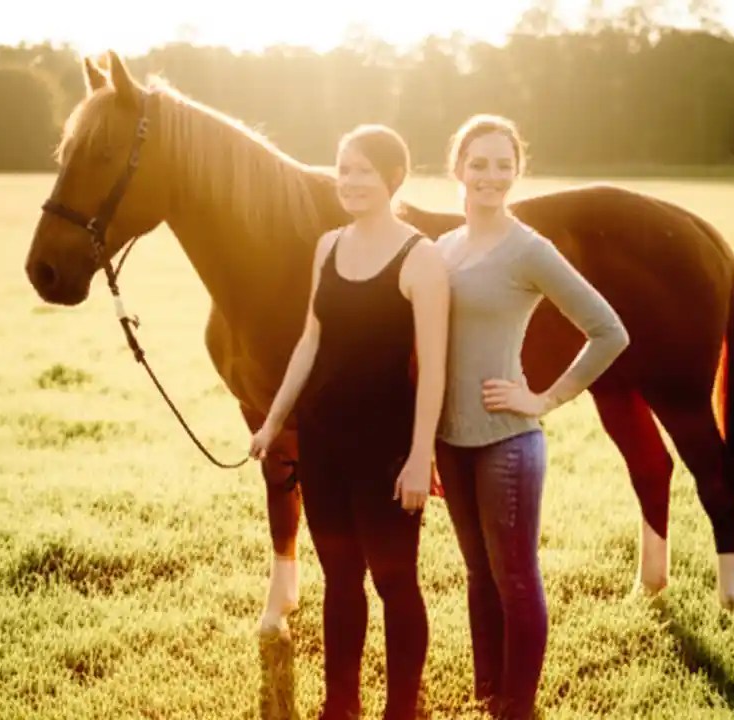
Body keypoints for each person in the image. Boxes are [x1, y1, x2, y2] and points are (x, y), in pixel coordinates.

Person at [249, 124, 449, 720]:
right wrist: (274, 420)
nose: (351, 181)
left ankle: (401, 711)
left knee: (394, 583)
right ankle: (341, 705)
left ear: (393, 178)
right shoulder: (328, 245)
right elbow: (311, 340)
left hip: (386, 451)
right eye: (344, 168)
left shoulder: (421, 257)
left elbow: (433, 370)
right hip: (324, 443)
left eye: (364, 170)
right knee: (339, 579)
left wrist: (421, 456)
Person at [434, 114, 630, 719]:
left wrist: (544, 399)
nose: (490, 175)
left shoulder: (529, 248)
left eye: (502, 164)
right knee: (476, 575)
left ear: (517, 171)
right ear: (458, 168)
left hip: (507, 443)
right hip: (450, 439)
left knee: (515, 578)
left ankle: (516, 707)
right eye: (479, 162)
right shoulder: (444, 247)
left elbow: (609, 331)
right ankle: (486, 693)